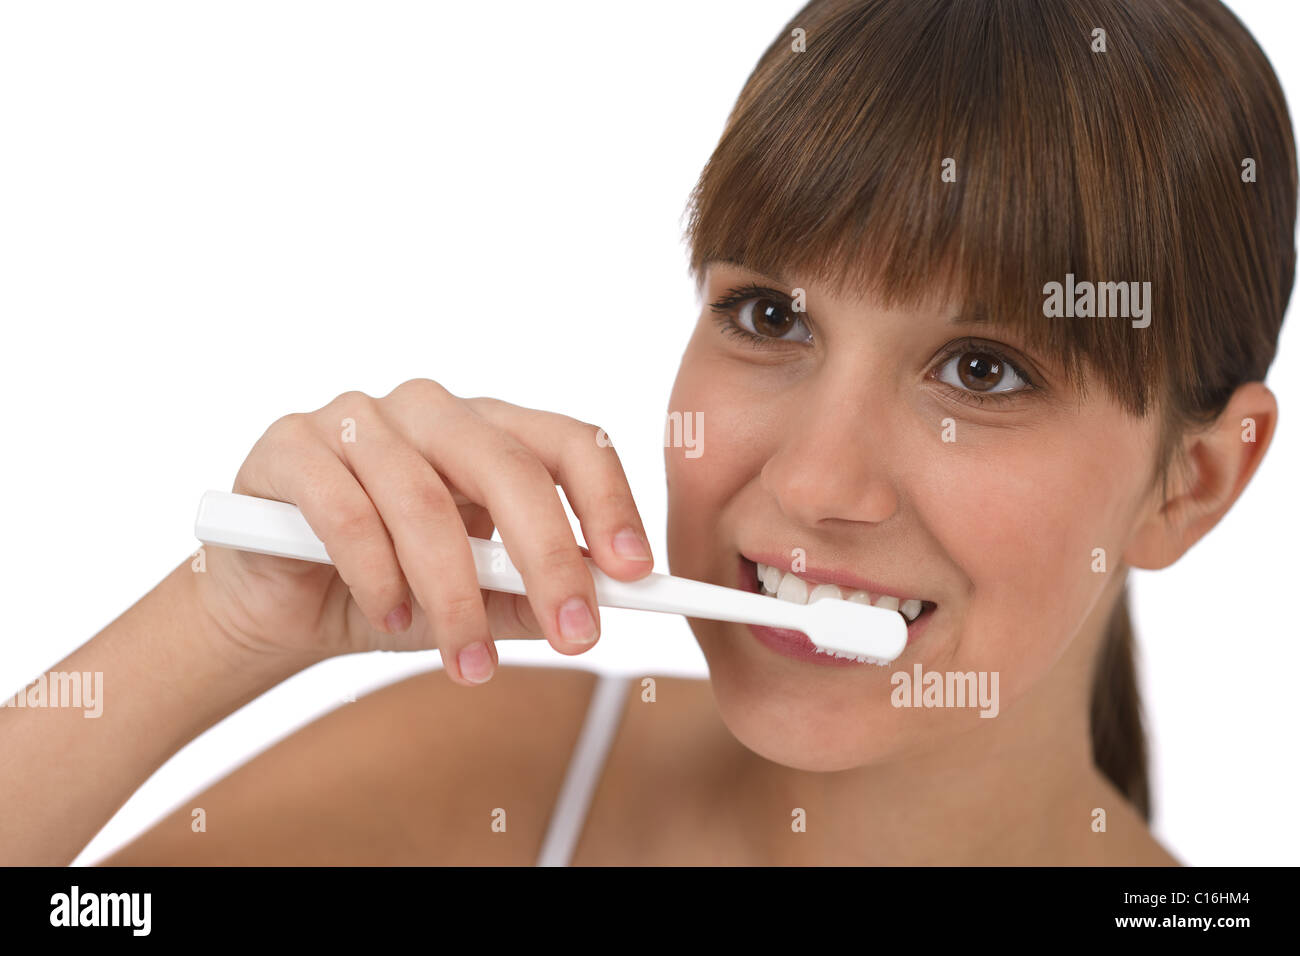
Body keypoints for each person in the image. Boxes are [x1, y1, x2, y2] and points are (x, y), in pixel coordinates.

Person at [2, 0, 1293, 865]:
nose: (813, 480)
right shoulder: (492, 778)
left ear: (1192, 485)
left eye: (983, 369)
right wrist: (221, 626)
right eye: (771, 314)